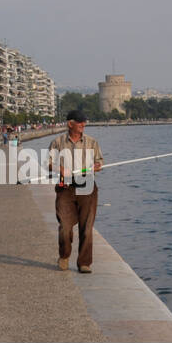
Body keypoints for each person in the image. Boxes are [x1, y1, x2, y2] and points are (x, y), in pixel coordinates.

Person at [48, 109, 104, 273]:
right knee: (65, 227)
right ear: (70, 123)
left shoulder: (91, 142)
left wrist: (95, 167)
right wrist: (59, 168)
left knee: (86, 227)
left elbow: (99, 162)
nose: (83, 124)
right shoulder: (57, 142)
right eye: (79, 122)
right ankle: (64, 255)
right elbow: (49, 163)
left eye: (84, 121)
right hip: (65, 188)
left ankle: (84, 263)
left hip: (87, 187)